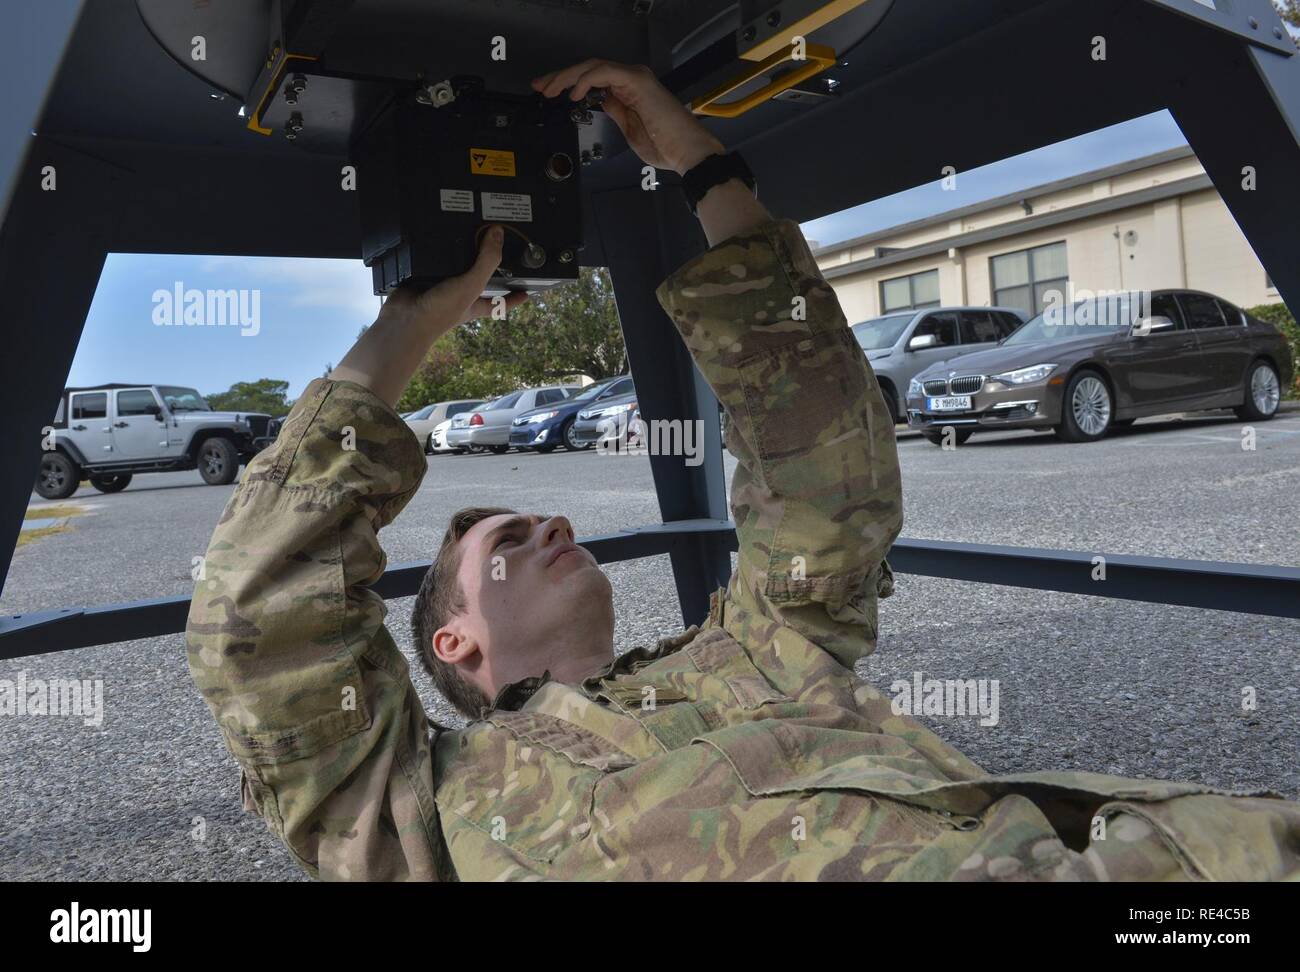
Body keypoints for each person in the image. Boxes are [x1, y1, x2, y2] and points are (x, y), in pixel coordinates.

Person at [186, 60, 1300, 881]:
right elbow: (260, 619)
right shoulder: (419, 808)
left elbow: (826, 465)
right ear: (453, 643)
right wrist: (415, 324)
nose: (551, 529)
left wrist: (700, 164)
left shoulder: (757, 654)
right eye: (507, 543)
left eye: (543, 522)